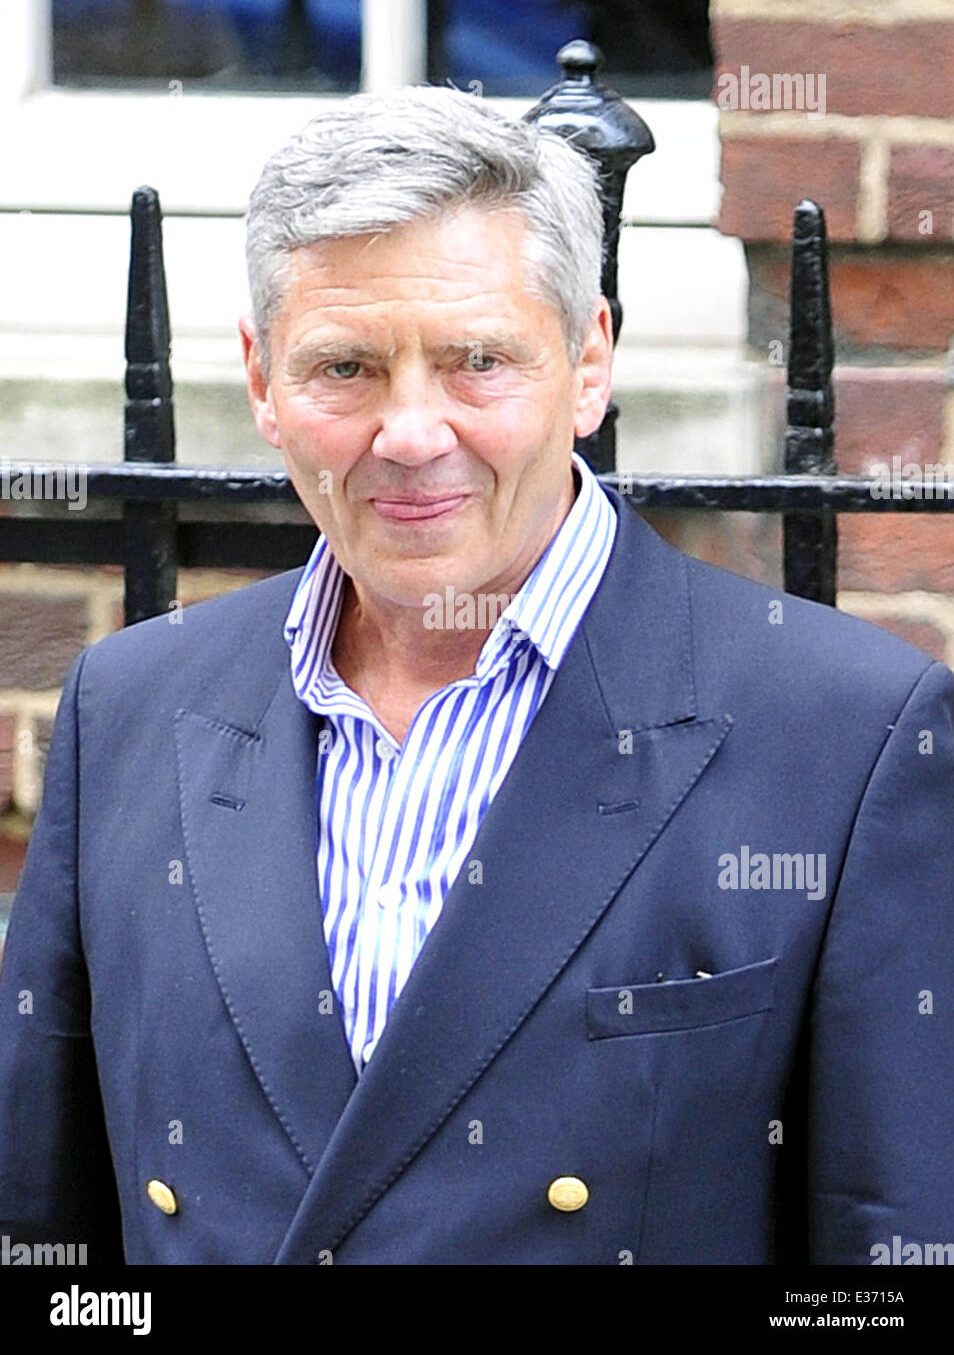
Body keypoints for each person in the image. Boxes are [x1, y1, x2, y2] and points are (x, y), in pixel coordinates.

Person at [1, 85, 952, 1266]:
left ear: (589, 362)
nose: (409, 433)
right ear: (260, 381)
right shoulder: (127, 709)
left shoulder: (848, 734)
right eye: (344, 367)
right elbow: (47, 1245)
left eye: (478, 361)